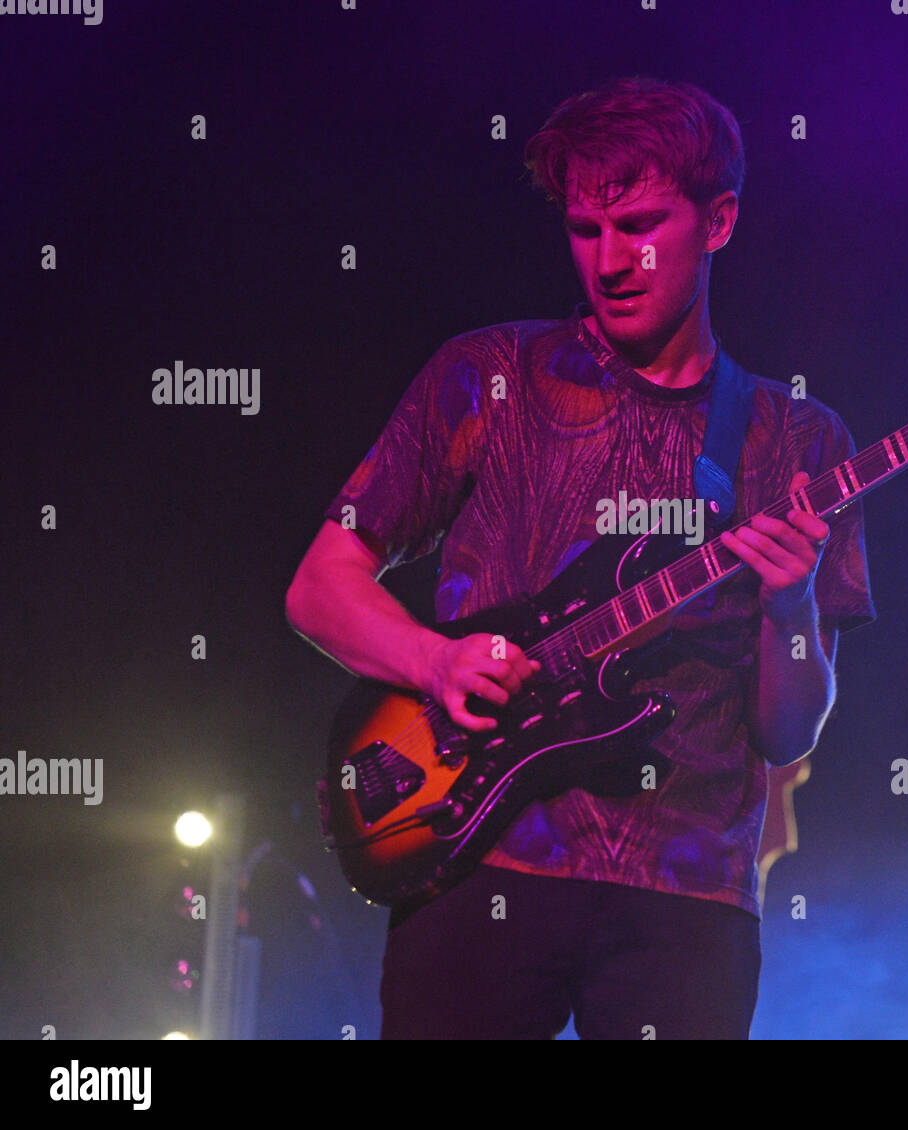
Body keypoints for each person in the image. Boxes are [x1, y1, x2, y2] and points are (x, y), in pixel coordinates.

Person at [285, 76, 875, 1039]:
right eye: (584, 229)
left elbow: (790, 733)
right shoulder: (488, 375)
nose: (609, 261)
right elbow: (320, 588)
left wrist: (786, 607)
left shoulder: (798, 440)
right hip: (478, 858)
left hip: (688, 897)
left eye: (640, 224)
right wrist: (435, 661)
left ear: (719, 220)